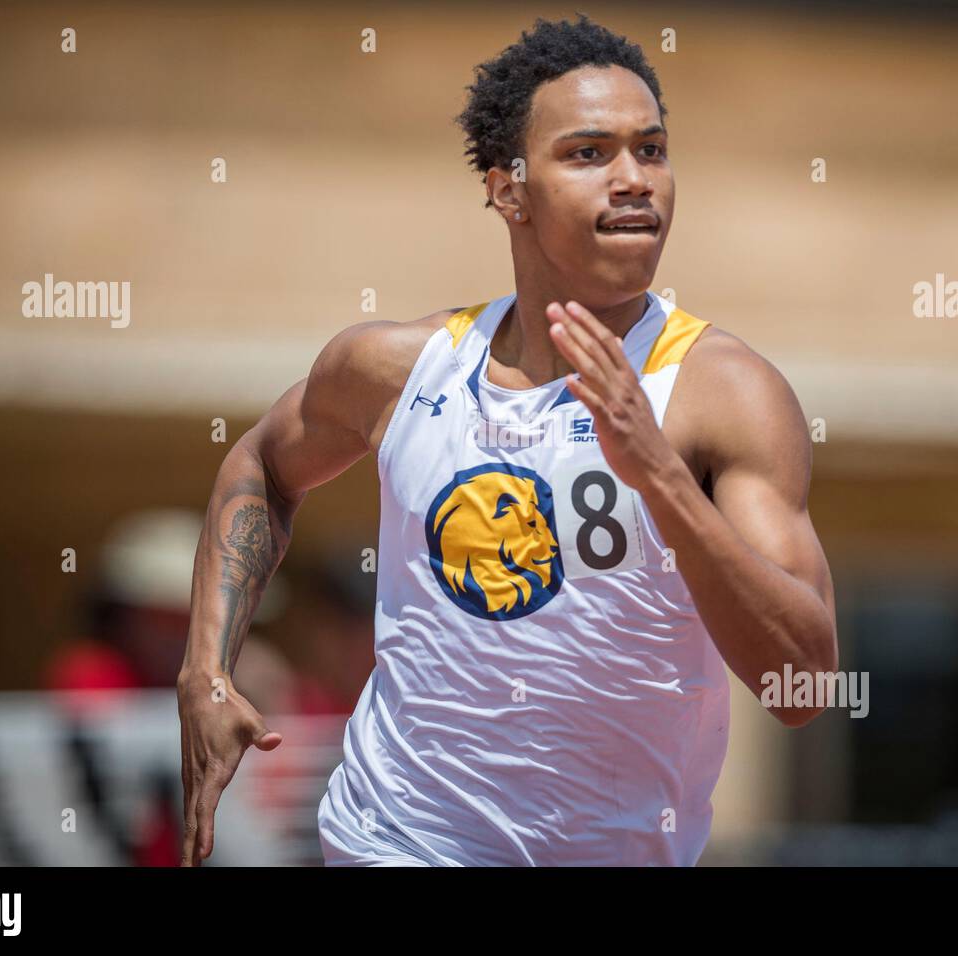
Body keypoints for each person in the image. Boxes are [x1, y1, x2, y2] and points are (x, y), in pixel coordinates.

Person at [178, 14, 837, 867]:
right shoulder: (397, 368)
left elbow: (805, 684)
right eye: (589, 153)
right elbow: (263, 464)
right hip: (394, 842)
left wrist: (662, 479)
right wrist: (206, 671)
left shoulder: (725, 393)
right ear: (508, 190)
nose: (635, 180)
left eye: (654, 149)